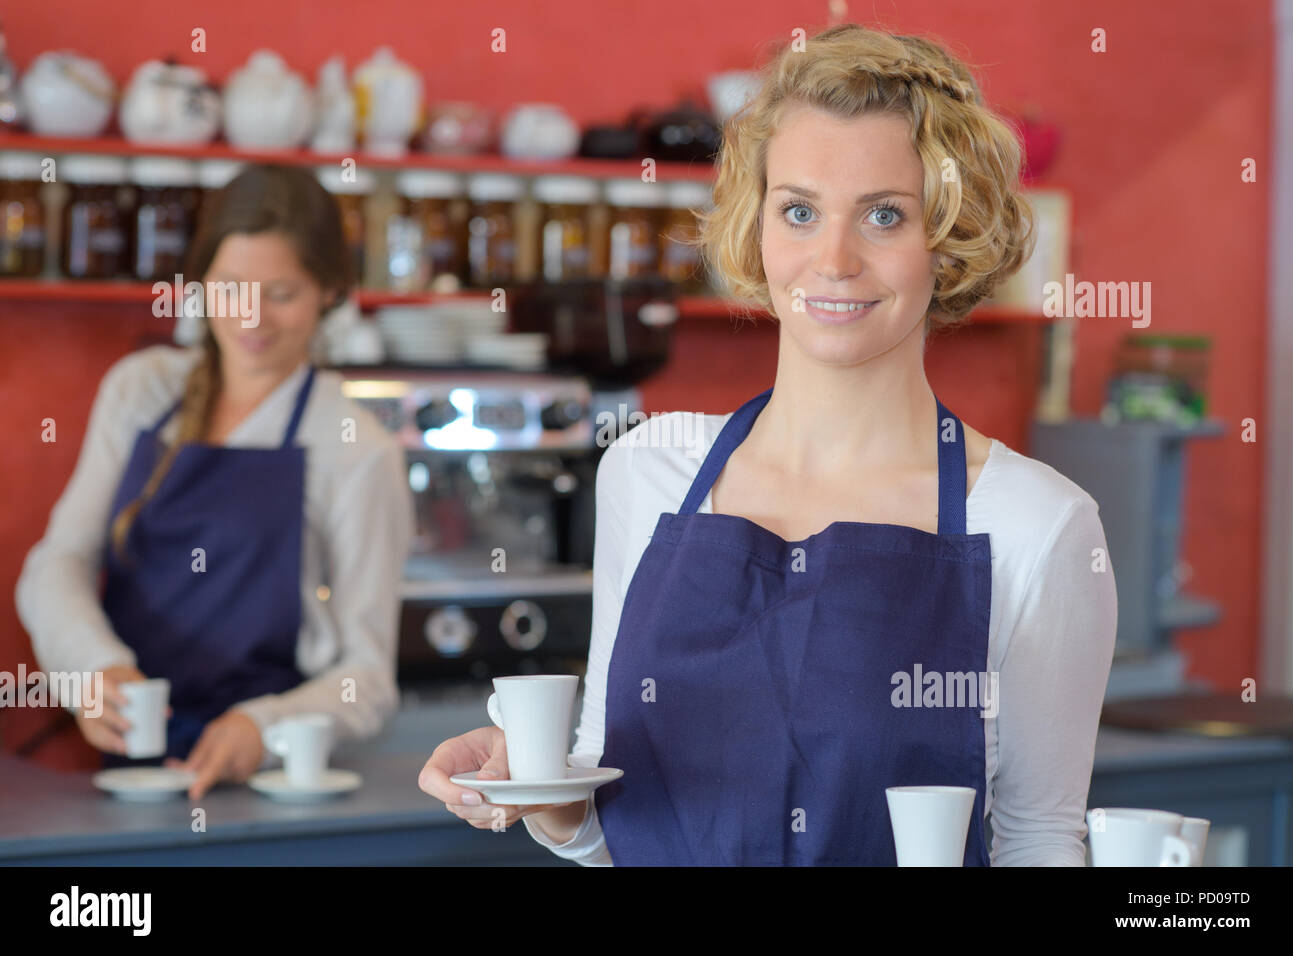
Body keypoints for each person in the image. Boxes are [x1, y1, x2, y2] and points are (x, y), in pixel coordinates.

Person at [419, 24, 1117, 865]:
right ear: (758, 227)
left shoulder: (1037, 526)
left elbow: (1040, 840)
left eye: (885, 215)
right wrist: (534, 791)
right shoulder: (649, 472)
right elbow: (613, 814)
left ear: (951, 236)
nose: (833, 259)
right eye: (799, 210)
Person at [16, 164, 415, 800]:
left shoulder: (357, 449)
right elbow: (57, 562)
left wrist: (263, 726)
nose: (250, 317)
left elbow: (367, 679)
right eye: (230, 286)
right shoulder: (142, 390)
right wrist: (94, 667)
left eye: (281, 293)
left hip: (270, 786)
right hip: (128, 773)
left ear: (330, 292)